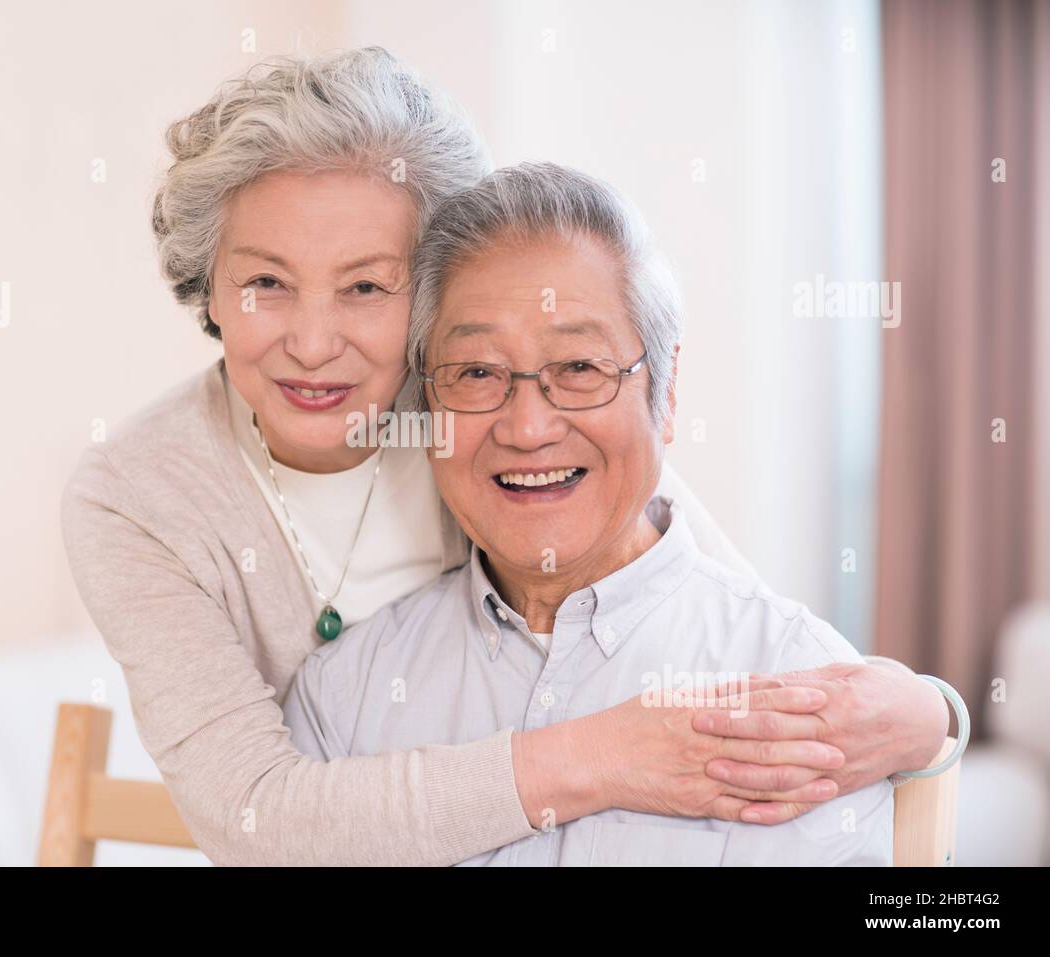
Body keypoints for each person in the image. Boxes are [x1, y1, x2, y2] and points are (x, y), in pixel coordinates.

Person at [61, 48, 948, 866]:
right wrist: (603, 756)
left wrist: (933, 714)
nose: (313, 341)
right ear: (207, 288)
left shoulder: (478, 400)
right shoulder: (139, 494)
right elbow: (254, 814)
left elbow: (699, 595)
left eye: (367, 285)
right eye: (266, 283)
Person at [284, 163, 894, 865]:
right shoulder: (344, 697)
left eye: (579, 367)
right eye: (477, 372)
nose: (528, 426)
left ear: (664, 397)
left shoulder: (799, 697)